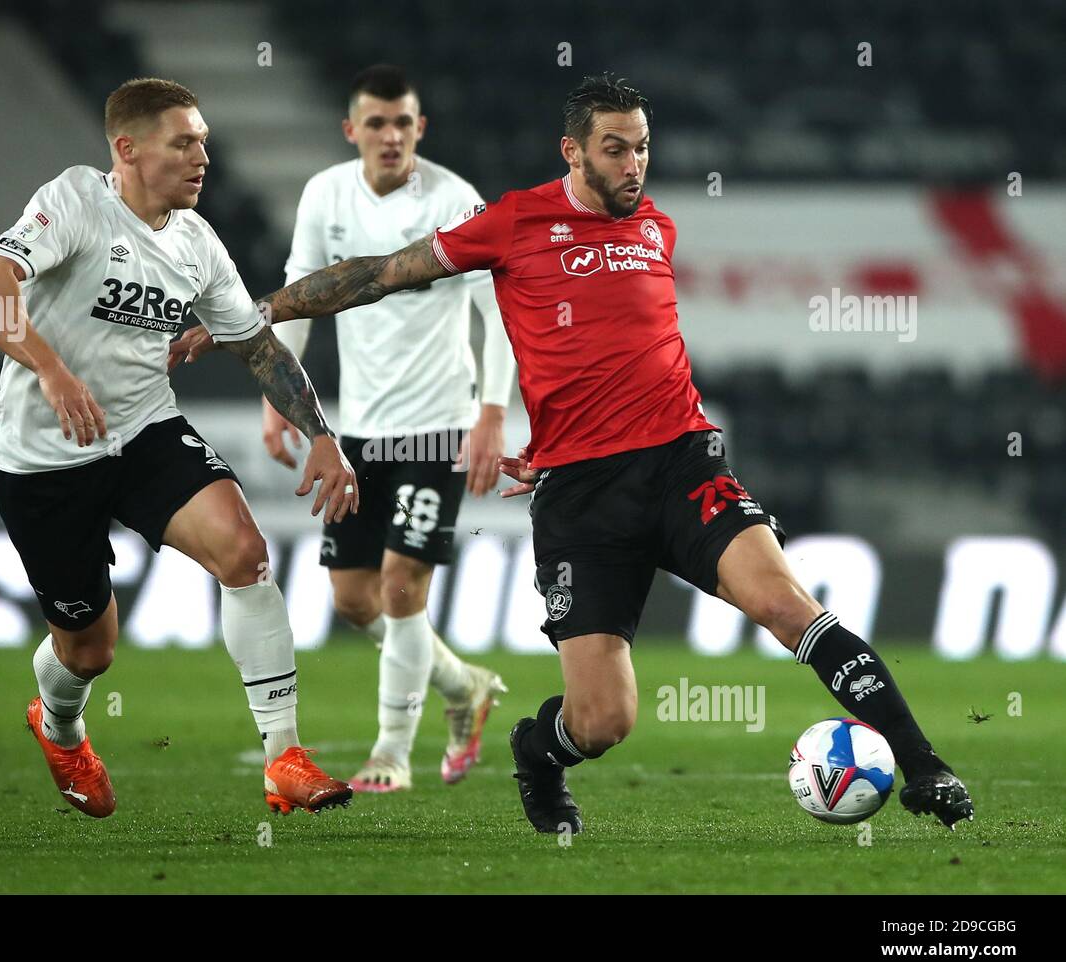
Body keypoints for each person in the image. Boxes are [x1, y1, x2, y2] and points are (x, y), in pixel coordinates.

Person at [173, 73, 974, 834]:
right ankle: (536, 751)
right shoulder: (515, 223)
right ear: (574, 151)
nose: (635, 165)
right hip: (582, 498)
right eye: (617, 148)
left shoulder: (655, 228)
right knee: (602, 721)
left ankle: (924, 764)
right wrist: (261, 312)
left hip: (683, 465)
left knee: (785, 604)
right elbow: (383, 274)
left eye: (644, 147)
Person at [0, 77, 358, 818]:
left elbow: (257, 346)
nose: (203, 155)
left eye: (203, 139)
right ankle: (61, 725)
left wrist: (321, 437)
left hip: (143, 433)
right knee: (88, 651)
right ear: (128, 149)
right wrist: (50, 369)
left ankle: (283, 758)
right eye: (184, 142)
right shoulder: (78, 201)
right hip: (45, 457)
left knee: (244, 550)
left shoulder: (198, 242)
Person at [263, 65, 515, 791]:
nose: (391, 136)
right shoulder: (325, 195)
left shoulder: (452, 198)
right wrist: (279, 400)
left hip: (438, 426)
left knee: (404, 587)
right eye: (376, 123)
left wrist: (492, 413)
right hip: (359, 432)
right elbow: (298, 298)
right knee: (352, 599)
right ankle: (463, 684)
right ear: (352, 131)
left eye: (403, 122)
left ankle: (391, 752)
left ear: (420, 128)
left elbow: (492, 313)